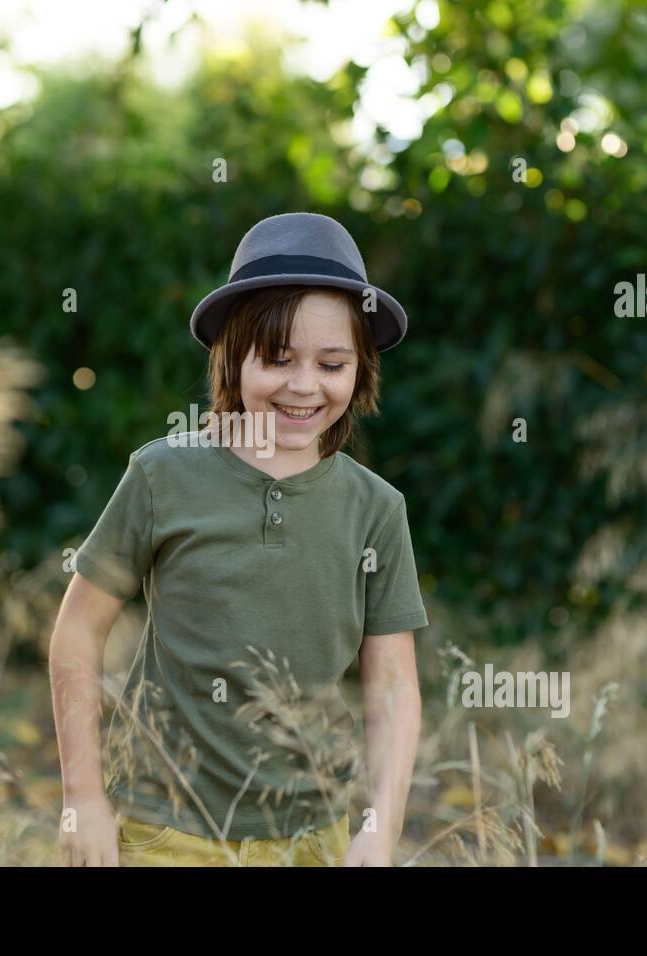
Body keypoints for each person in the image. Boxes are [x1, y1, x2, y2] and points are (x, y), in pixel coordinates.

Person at [51, 212, 428, 866]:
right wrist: (82, 796)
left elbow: (391, 680)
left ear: (360, 369)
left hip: (314, 834)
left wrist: (383, 823)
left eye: (332, 363)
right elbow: (78, 630)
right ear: (231, 357)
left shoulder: (376, 509)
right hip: (161, 825)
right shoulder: (163, 475)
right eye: (277, 359)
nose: (305, 385)